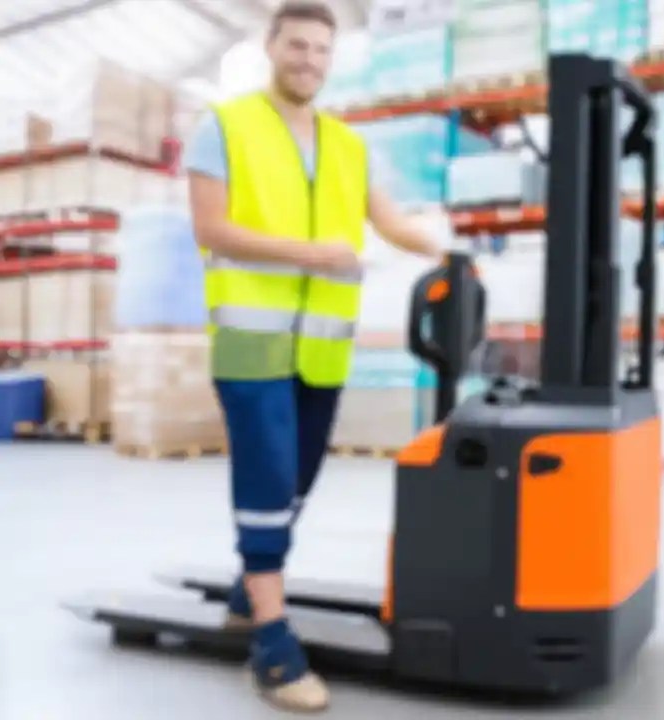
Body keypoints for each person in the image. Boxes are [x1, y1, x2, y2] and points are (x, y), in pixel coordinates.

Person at [185, 1, 443, 712]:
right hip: (252, 337)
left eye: (321, 50)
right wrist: (312, 255)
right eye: (297, 45)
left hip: (322, 347)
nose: (309, 60)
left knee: (298, 480)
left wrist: (448, 247)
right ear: (271, 47)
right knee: (268, 477)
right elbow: (211, 228)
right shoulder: (224, 126)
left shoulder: (348, 146)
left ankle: (249, 587)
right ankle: (271, 643)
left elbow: (388, 222)